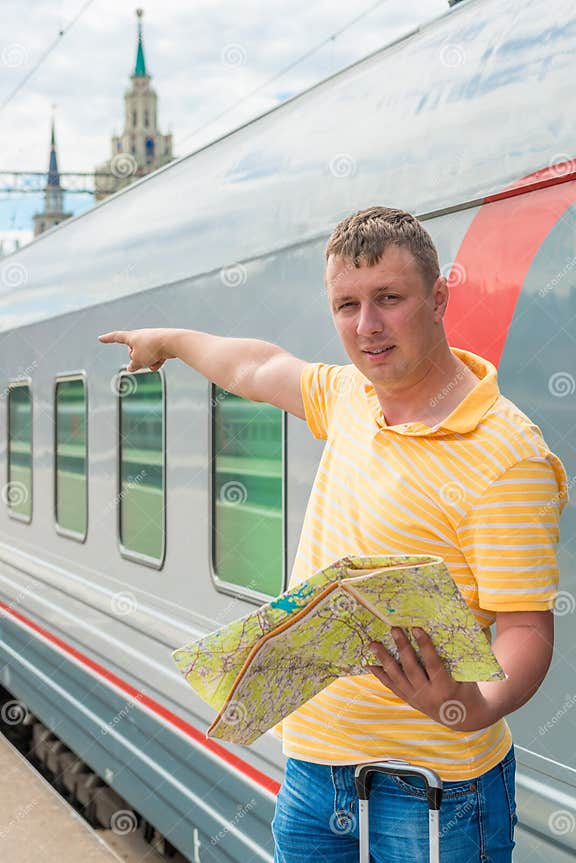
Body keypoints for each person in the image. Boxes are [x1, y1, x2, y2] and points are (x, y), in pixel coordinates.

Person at [99, 207, 568, 862]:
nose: (367, 326)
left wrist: (472, 702)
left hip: (434, 791)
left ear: (438, 298)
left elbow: (527, 628)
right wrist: (172, 339)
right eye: (346, 305)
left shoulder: (507, 453)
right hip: (315, 774)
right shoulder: (351, 396)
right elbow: (254, 368)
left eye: (388, 299)